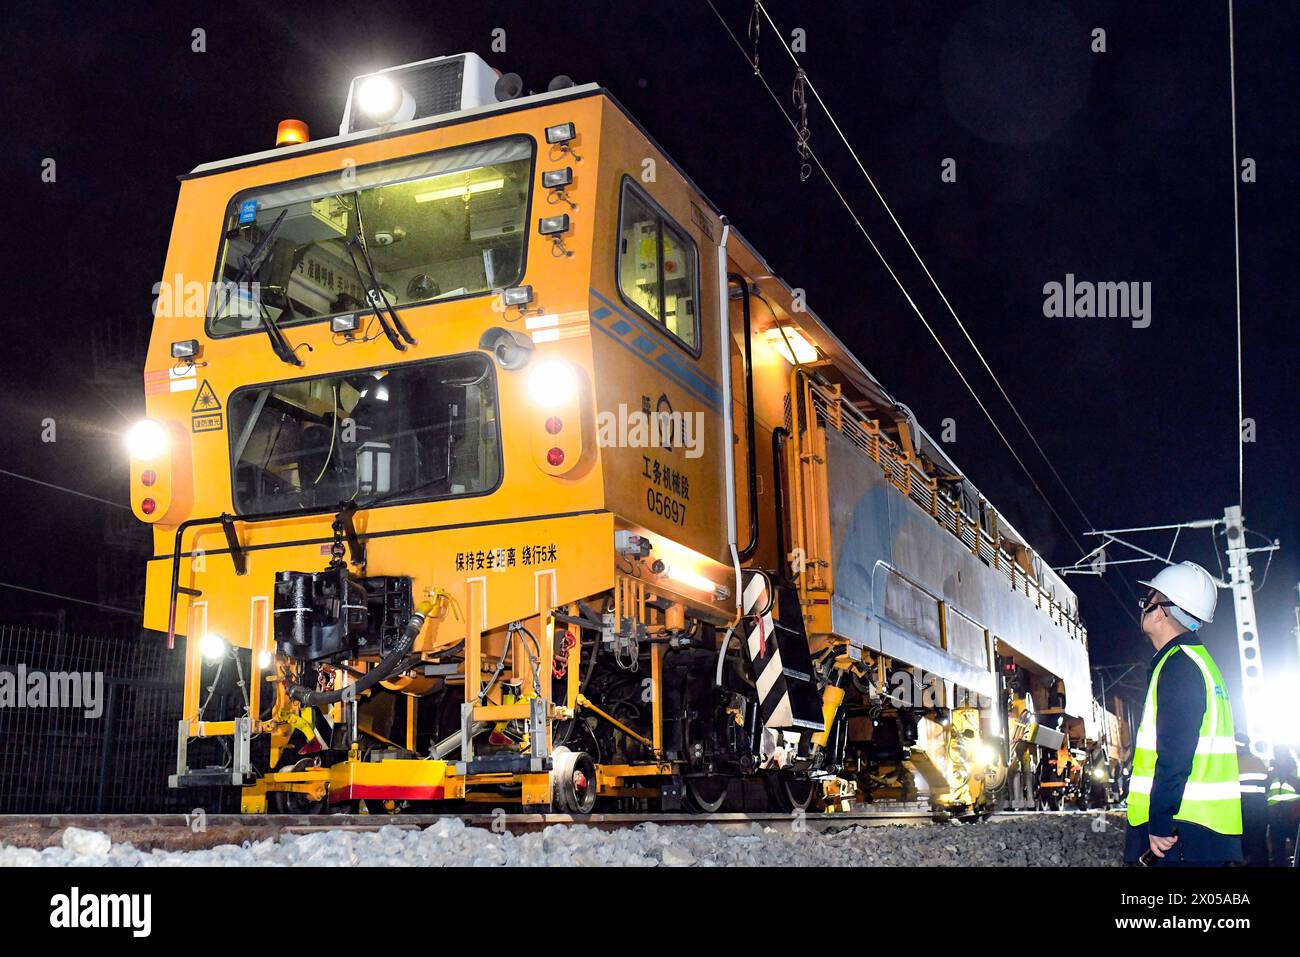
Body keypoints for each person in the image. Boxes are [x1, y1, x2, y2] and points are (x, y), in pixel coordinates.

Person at [1124, 561, 1243, 865]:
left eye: (1147, 602)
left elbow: (1174, 753)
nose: (1144, 609)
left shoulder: (1179, 666)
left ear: (1162, 610)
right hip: (1200, 830)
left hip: (1179, 834)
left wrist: (1160, 821)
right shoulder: (1199, 663)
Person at [1236, 736, 1269, 866]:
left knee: (1246, 842)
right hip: (1260, 807)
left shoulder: (1234, 763)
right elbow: (1267, 784)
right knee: (1259, 842)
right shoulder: (1258, 761)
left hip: (1242, 807)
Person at [1266, 749, 1299, 866]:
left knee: (1296, 847)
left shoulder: (1296, 770)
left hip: (1293, 814)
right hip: (1276, 816)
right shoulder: (1271, 771)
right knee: (1278, 850)